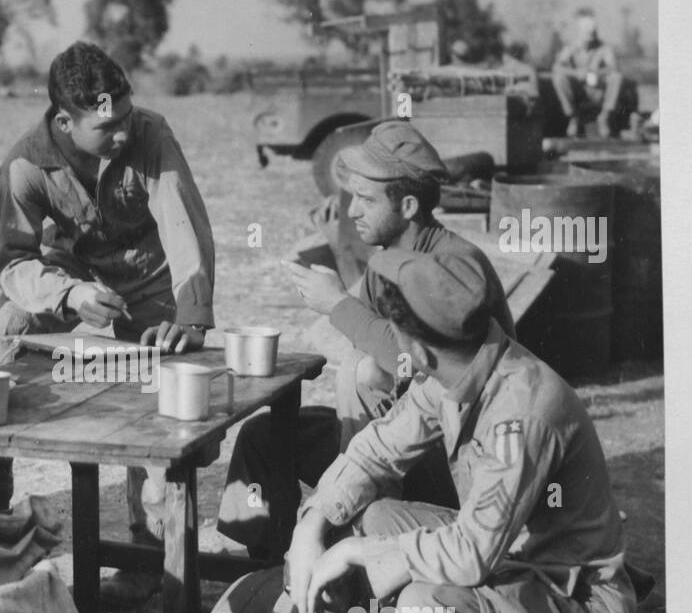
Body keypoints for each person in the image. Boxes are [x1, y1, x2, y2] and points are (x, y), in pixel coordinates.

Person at [196, 248, 636, 613]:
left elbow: (473, 554)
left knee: (426, 603)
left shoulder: (525, 410)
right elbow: (377, 450)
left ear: (420, 347)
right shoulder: (462, 369)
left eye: (398, 335)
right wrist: (313, 524)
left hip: (568, 596)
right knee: (366, 511)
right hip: (509, 554)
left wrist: (359, 553)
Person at [0, 42, 217, 598]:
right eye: (107, 127)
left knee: (164, 398)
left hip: (151, 276)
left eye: (127, 119)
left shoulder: (152, 135)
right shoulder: (23, 165)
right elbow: (11, 263)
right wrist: (68, 293)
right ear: (64, 121)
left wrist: (192, 316)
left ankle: (148, 557)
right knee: (5, 328)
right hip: (70, 276)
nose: (123, 135)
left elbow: (184, 226)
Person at [217, 121, 515, 561]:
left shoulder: (454, 267)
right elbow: (351, 334)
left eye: (366, 200)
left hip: (455, 462)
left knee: (363, 373)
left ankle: (355, 551)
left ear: (409, 205)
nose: (352, 210)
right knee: (265, 435)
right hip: (397, 439)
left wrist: (337, 302)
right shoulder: (386, 260)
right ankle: (278, 562)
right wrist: (338, 278)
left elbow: (413, 360)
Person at [551, 8, 624, 138]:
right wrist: (576, 72)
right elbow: (557, 67)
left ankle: (604, 117)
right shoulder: (571, 47)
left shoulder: (604, 47)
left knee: (616, 77)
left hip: (598, 90)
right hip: (579, 90)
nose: (589, 38)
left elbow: (614, 67)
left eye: (592, 34)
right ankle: (573, 117)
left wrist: (595, 72)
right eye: (587, 34)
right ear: (580, 34)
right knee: (559, 78)